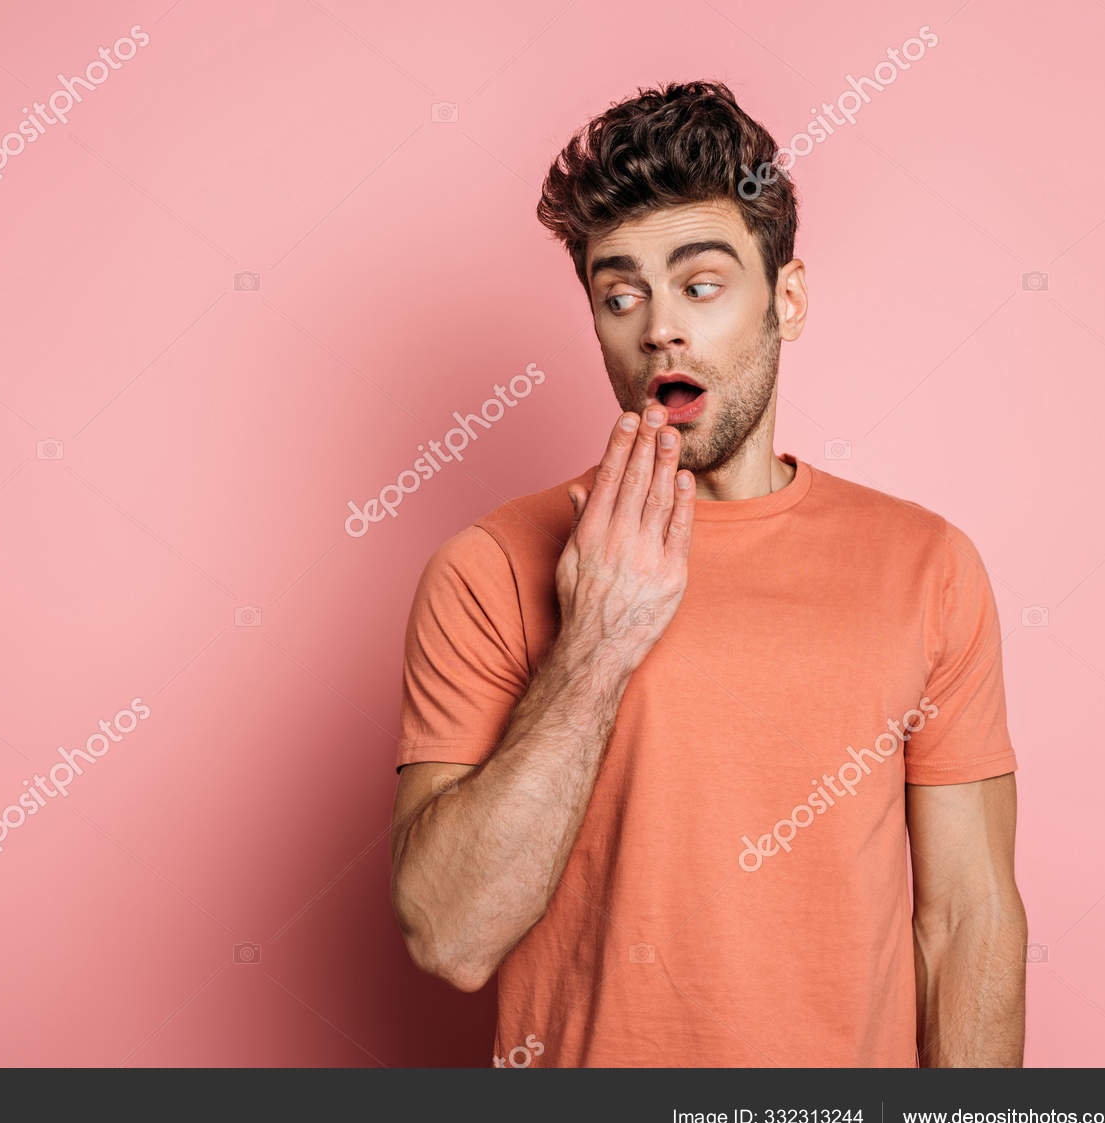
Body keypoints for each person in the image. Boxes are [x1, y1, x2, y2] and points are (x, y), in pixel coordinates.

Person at [388, 80, 1026, 1068]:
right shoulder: (491, 568)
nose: (657, 330)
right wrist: (597, 639)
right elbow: (450, 934)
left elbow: (967, 921)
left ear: (787, 298)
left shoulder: (926, 565)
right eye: (619, 293)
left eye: (699, 284)